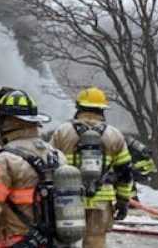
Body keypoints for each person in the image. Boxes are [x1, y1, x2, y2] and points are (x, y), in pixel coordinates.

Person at [0, 89, 62, 247]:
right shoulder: (57, 156)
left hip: (15, 242)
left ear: (6, 122)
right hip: (53, 242)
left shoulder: (3, 161)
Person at [48, 87, 135, 248]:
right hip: (101, 200)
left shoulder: (62, 132)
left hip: (67, 199)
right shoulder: (114, 135)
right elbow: (125, 172)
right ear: (102, 110)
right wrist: (123, 200)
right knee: (95, 241)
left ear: (79, 107)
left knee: (64, 240)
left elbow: (49, 166)